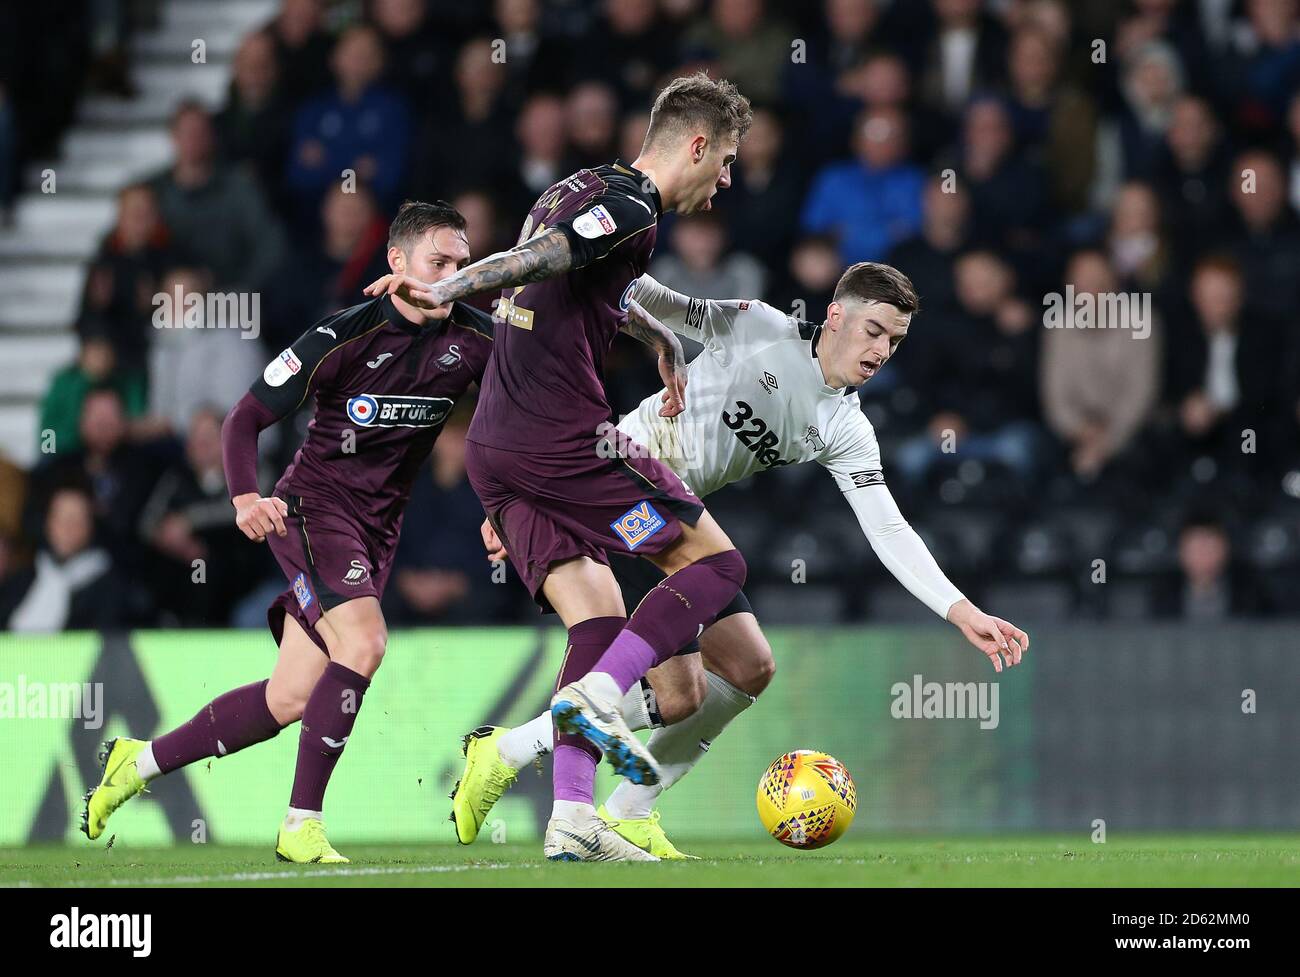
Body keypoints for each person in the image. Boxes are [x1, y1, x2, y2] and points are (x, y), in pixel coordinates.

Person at [452, 264, 1028, 858]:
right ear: (835, 315)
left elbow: (887, 527)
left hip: (677, 520)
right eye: (874, 331)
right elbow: (654, 299)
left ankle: (599, 794)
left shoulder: (846, 426)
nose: (881, 350)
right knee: (672, 633)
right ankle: (556, 776)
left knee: (740, 671)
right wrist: (584, 258)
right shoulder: (760, 328)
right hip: (615, 489)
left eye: (894, 341)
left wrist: (960, 611)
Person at [366, 71, 754, 862]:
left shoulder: (588, 185)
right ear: (699, 144)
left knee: (600, 618)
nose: (727, 181)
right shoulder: (635, 208)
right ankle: (596, 705)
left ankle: (572, 815)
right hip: (568, 444)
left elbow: (585, 273)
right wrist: (446, 286)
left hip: (499, 447)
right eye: (727, 162)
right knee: (717, 564)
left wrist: (654, 333)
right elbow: (541, 258)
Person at [79, 201, 495, 864]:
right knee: (363, 641)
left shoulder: (477, 339)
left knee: (291, 696)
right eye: (438, 261)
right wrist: (245, 494)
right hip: (313, 508)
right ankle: (301, 823)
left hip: (377, 531)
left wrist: (504, 507)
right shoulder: (342, 335)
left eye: (462, 265)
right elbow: (243, 418)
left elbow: (526, 402)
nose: (450, 276)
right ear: (396, 263)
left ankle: (138, 760)